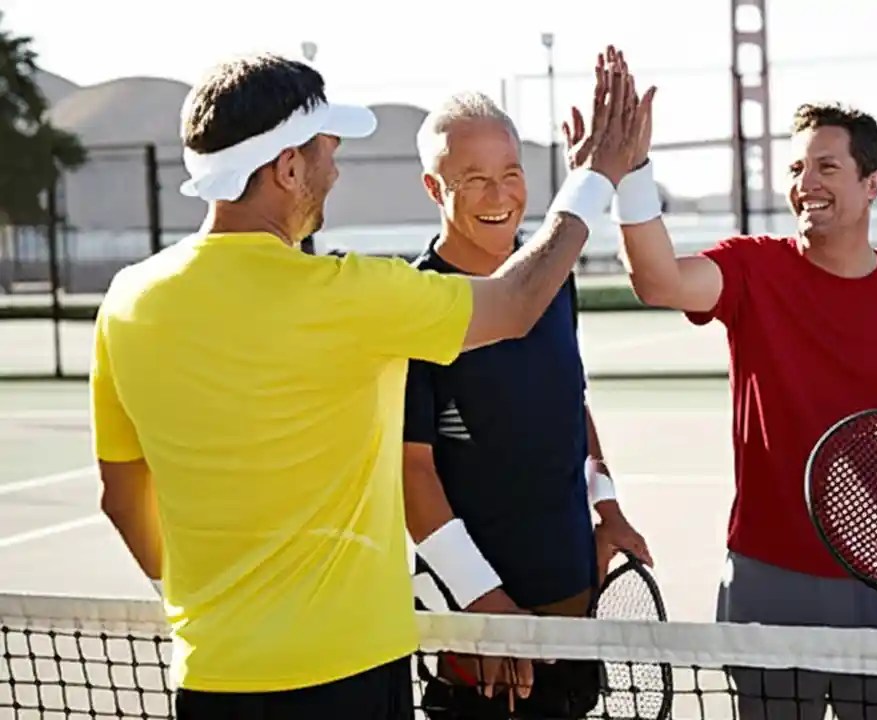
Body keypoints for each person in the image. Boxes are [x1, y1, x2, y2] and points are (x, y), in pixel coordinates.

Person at [90, 49, 643, 719]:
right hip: (350, 676)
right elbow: (519, 300)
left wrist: (198, 608)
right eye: (326, 151)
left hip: (210, 676)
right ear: (288, 168)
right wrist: (593, 178)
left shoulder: (128, 300)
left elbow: (122, 495)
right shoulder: (352, 296)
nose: (335, 168)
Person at [604, 88, 877, 718]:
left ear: (872, 183)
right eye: (797, 169)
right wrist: (633, 175)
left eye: (827, 167)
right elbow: (658, 280)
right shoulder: (752, 268)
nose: (807, 183)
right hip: (769, 578)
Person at [401, 88, 653, 719]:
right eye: (475, 180)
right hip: (476, 641)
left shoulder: (551, 279)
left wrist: (608, 507)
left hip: (571, 617)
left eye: (510, 174)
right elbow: (410, 475)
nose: (500, 196)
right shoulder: (410, 304)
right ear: (435, 190)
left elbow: (574, 406)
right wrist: (484, 603)